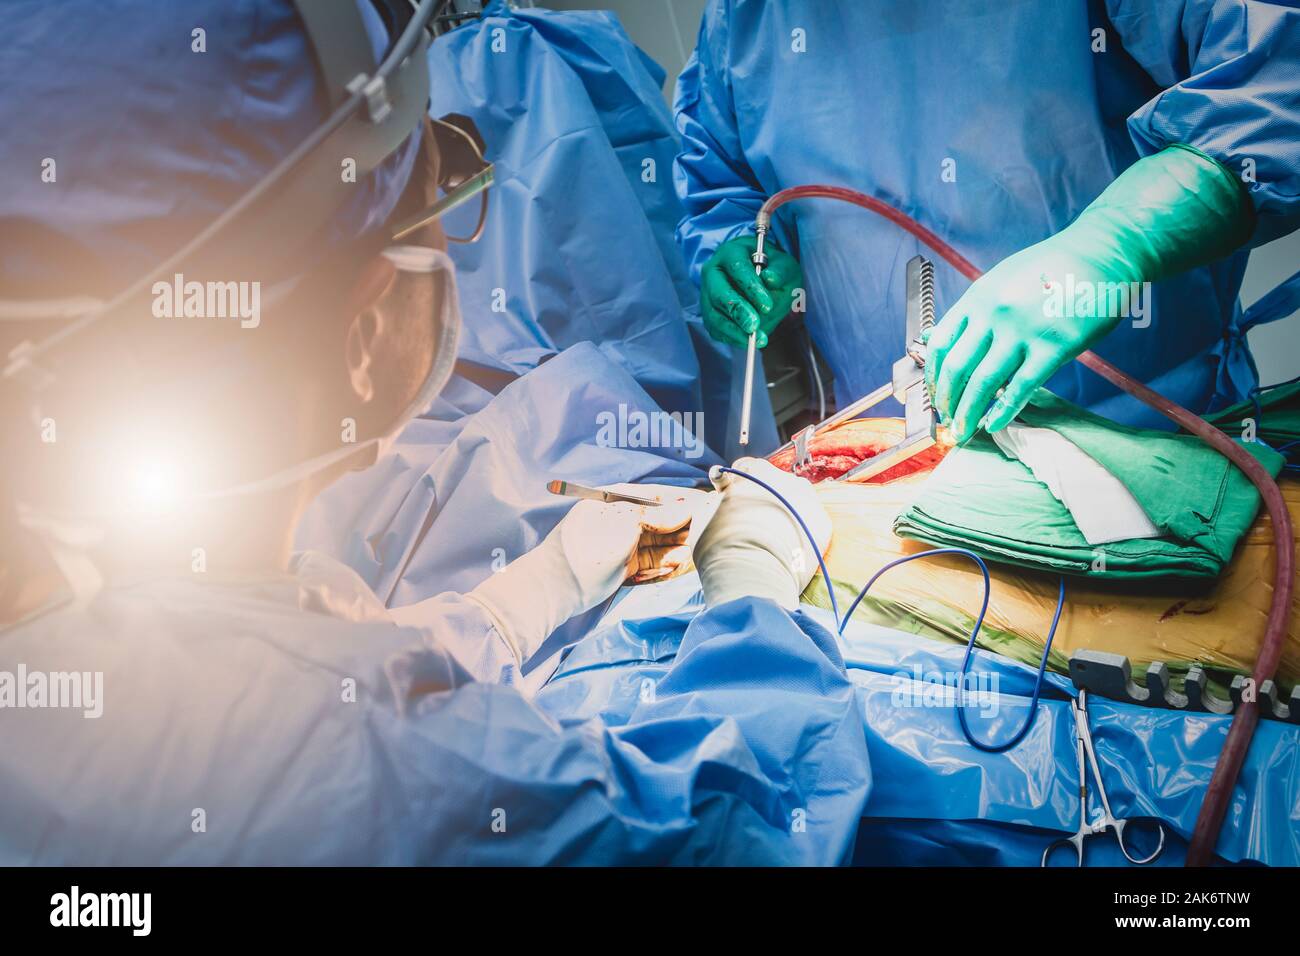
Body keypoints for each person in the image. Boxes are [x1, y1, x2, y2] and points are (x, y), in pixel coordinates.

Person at [0, 0, 868, 864]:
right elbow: (753, 832)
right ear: (368, 333)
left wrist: (533, 592)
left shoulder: (73, 638)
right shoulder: (387, 775)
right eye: (443, 196)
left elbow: (269, 668)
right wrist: (753, 594)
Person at [674, 0, 1300, 440]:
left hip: (1146, 430)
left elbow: (1273, 87)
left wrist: (1108, 249)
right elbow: (722, 172)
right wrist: (733, 250)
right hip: (895, 449)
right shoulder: (747, 18)